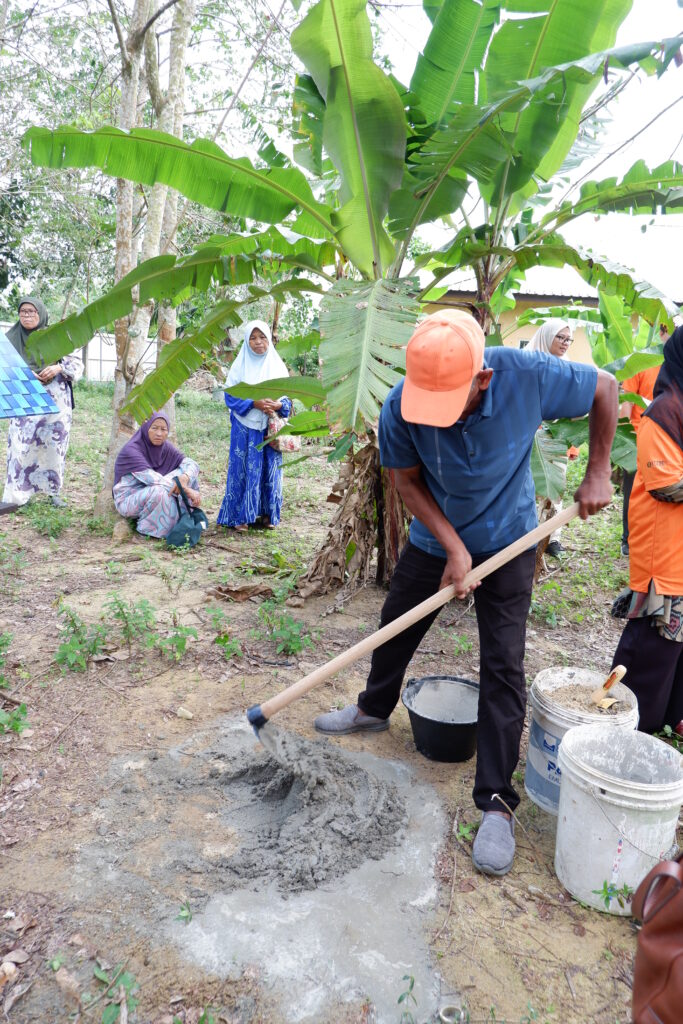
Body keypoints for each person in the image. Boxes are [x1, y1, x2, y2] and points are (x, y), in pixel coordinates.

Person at [315, 310, 616, 877]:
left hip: (511, 537)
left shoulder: (526, 373)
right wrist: (452, 547)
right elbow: (406, 481)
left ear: (483, 379)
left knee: (503, 663)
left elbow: (604, 385)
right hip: (435, 534)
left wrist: (598, 469)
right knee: (397, 621)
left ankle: (496, 802)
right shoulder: (401, 403)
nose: (440, 419)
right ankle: (372, 709)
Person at [611, 326, 683, 737]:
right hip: (664, 549)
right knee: (652, 647)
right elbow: (666, 485)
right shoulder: (664, 412)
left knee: (677, 649)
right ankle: (628, 725)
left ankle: (672, 718)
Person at [3, 296, 83, 509]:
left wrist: (58, 367)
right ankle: (15, 496)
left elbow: (77, 364)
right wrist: (24, 372)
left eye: (32, 312)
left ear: (42, 314)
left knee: (54, 445)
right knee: (21, 443)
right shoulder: (11, 339)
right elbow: (4, 367)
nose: (27, 316)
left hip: (56, 400)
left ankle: (53, 493)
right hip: (25, 396)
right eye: (23, 312)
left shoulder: (57, 337)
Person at [217, 320, 292, 532]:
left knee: (270, 469)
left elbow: (288, 400)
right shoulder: (239, 366)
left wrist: (277, 404)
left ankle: (268, 515)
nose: (258, 342)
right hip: (245, 426)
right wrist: (253, 403)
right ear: (247, 341)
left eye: (262, 337)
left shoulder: (277, 366)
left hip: (270, 428)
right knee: (242, 469)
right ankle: (240, 516)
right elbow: (230, 397)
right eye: (253, 337)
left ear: (269, 339)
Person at [618, 323, 668, 556]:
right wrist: (622, 439)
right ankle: (629, 539)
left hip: (671, 441)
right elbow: (627, 400)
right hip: (640, 437)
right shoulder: (642, 361)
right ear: (661, 332)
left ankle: (658, 540)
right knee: (635, 491)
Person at [526, 318, 573, 558]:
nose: (565, 343)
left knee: (554, 483)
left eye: (569, 339)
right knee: (527, 486)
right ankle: (526, 536)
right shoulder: (526, 361)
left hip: (555, 435)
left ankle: (552, 538)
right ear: (547, 336)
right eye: (561, 337)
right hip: (526, 433)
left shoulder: (568, 368)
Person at [113, 412, 201, 539]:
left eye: (163, 429)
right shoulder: (132, 450)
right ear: (146, 428)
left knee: (184, 474)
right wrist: (187, 490)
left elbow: (191, 463)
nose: (159, 433)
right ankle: (148, 530)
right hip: (128, 499)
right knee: (160, 491)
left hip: (153, 490)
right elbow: (153, 479)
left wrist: (185, 477)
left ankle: (182, 521)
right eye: (154, 428)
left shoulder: (165, 447)